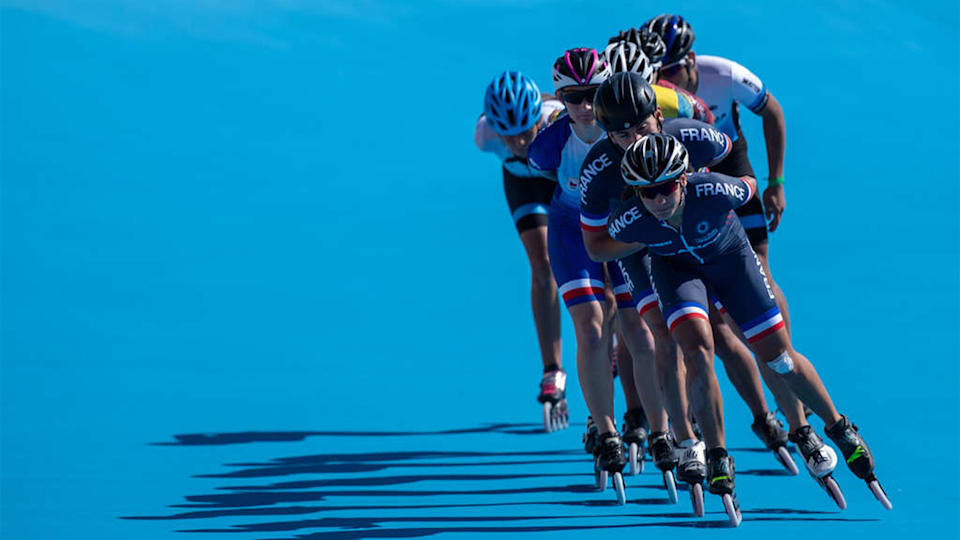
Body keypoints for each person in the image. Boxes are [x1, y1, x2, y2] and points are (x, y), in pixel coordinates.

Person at [607, 132, 891, 515]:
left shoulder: (716, 190)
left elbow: (749, 182)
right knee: (696, 351)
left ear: (684, 178)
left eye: (666, 188)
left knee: (780, 359)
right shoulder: (628, 222)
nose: (659, 200)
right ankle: (716, 453)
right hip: (677, 273)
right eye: (648, 192)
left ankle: (838, 427)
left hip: (731, 261)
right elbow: (598, 248)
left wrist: (772, 199)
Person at [581, 73, 799, 497]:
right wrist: (647, 230)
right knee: (662, 335)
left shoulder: (688, 122)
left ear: (658, 116)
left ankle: (764, 417)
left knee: (720, 331)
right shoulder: (599, 166)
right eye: (622, 135)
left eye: (642, 128)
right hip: (640, 242)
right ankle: (684, 440)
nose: (634, 140)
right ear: (608, 135)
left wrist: (728, 193)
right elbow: (595, 246)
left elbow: (733, 158)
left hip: (687, 224)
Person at [526, 49, 669, 495]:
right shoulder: (551, 142)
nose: (586, 106)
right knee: (590, 327)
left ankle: (660, 429)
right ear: (560, 98)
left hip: (621, 230)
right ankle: (605, 431)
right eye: (574, 98)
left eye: (593, 94)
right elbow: (533, 163)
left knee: (638, 330)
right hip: (573, 233)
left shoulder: (627, 131)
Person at [475, 71, 567, 430]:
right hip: (523, 184)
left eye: (526, 132)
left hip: (560, 177)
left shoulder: (556, 119)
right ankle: (552, 370)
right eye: (509, 137)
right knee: (542, 266)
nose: (519, 143)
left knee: (596, 263)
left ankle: (614, 339)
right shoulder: (484, 136)